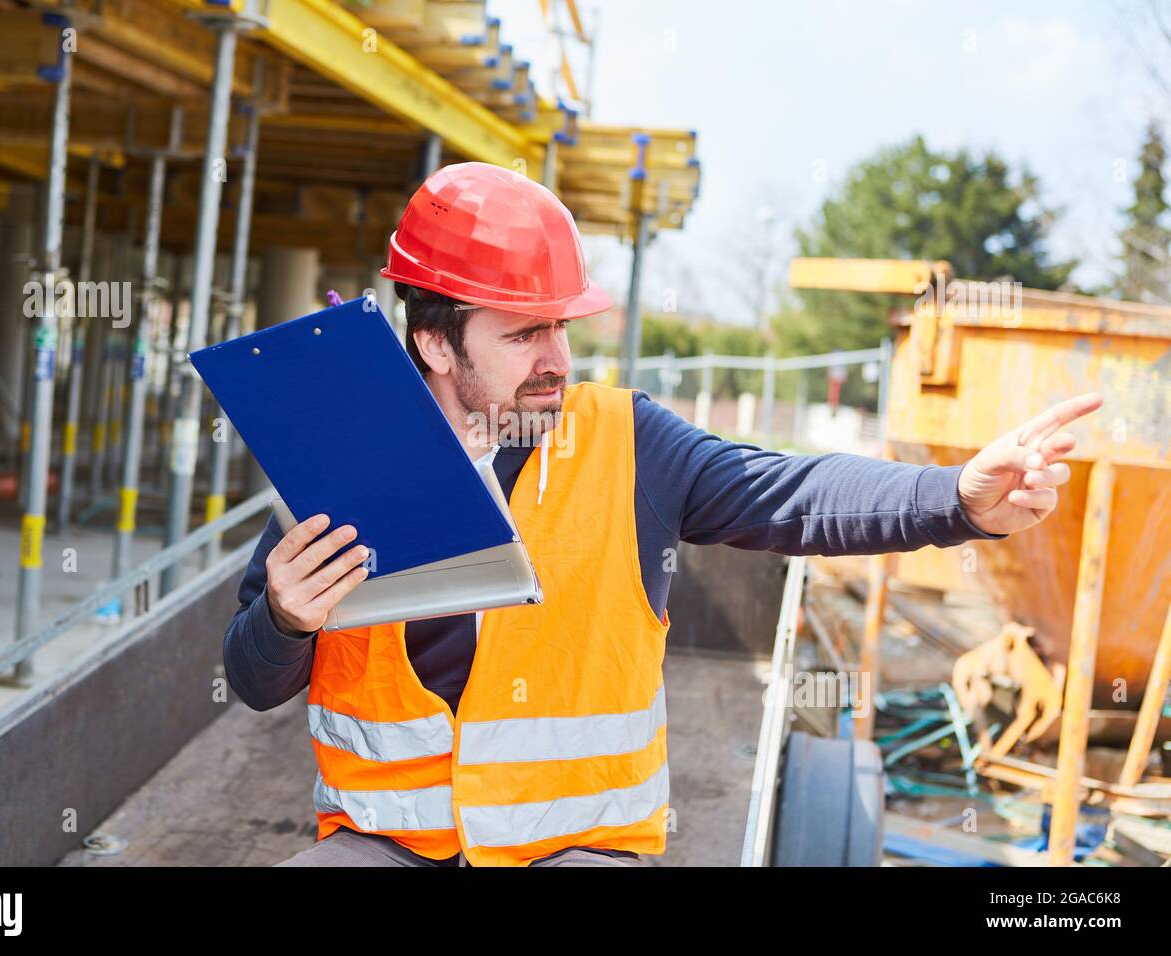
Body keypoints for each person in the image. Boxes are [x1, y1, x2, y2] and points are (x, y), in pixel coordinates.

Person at [223, 162, 1102, 867]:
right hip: (388, 845)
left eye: (563, 327)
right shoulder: (340, 459)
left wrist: (954, 499)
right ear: (434, 341)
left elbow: (793, 495)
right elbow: (254, 681)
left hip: (576, 849)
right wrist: (285, 619)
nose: (558, 359)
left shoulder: (626, 443)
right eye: (524, 333)